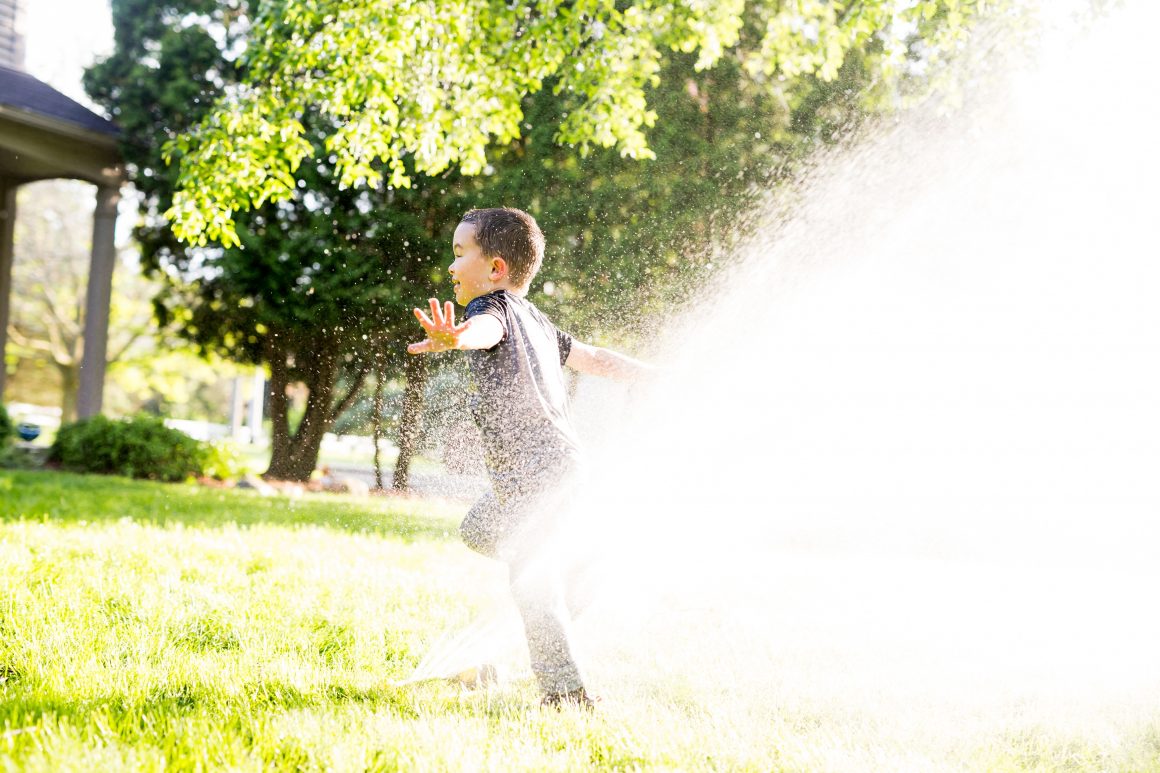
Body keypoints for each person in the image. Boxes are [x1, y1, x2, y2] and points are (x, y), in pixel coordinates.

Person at [407, 207, 651, 709]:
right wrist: (654, 374)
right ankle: (504, 653)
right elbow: (598, 359)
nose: (451, 267)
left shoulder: (489, 311)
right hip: (559, 469)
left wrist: (456, 337)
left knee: (530, 575)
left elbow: (485, 333)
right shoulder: (536, 320)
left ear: (495, 269)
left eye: (459, 254)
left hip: (535, 474)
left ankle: (566, 695)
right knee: (480, 530)